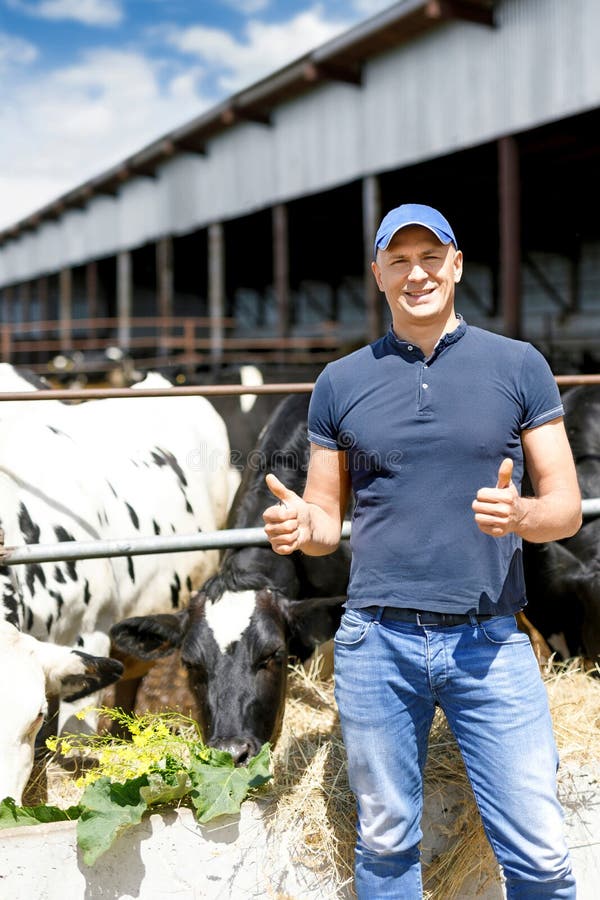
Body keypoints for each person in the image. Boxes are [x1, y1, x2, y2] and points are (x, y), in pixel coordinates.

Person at [262, 203, 581, 899]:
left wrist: (521, 513)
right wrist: (299, 527)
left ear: (456, 265)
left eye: (431, 257)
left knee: (541, 851)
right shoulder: (340, 382)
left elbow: (565, 510)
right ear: (378, 274)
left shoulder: (520, 365)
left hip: (489, 639)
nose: (417, 274)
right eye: (399, 260)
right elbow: (325, 519)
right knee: (384, 844)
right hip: (376, 642)